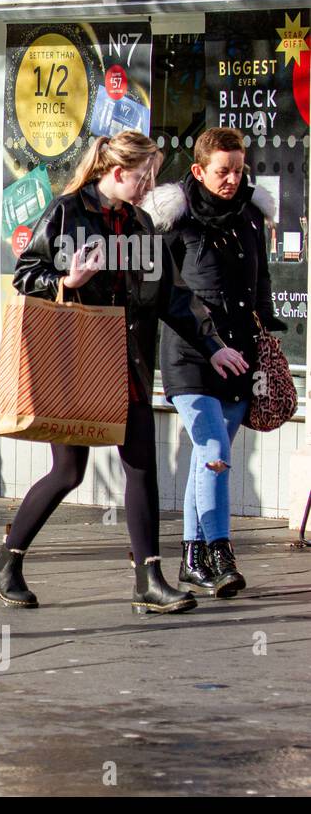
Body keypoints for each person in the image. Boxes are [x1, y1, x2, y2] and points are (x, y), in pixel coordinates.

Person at [0, 130, 248, 615]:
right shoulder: (68, 213)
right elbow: (25, 275)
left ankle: (149, 579)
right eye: (145, 175)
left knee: (141, 468)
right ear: (117, 171)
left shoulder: (144, 226)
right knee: (68, 472)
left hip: (129, 366)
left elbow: (173, 298)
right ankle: (7, 560)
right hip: (77, 364)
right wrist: (66, 279)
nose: (150, 184)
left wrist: (212, 347)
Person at [145, 127, 285, 598]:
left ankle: (190, 559)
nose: (231, 179)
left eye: (239, 170)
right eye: (222, 171)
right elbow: (164, 294)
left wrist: (267, 328)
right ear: (198, 170)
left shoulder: (250, 214)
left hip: (240, 357)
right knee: (214, 454)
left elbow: (260, 278)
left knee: (211, 460)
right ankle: (221, 556)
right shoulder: (175, 220)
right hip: (190, 354)